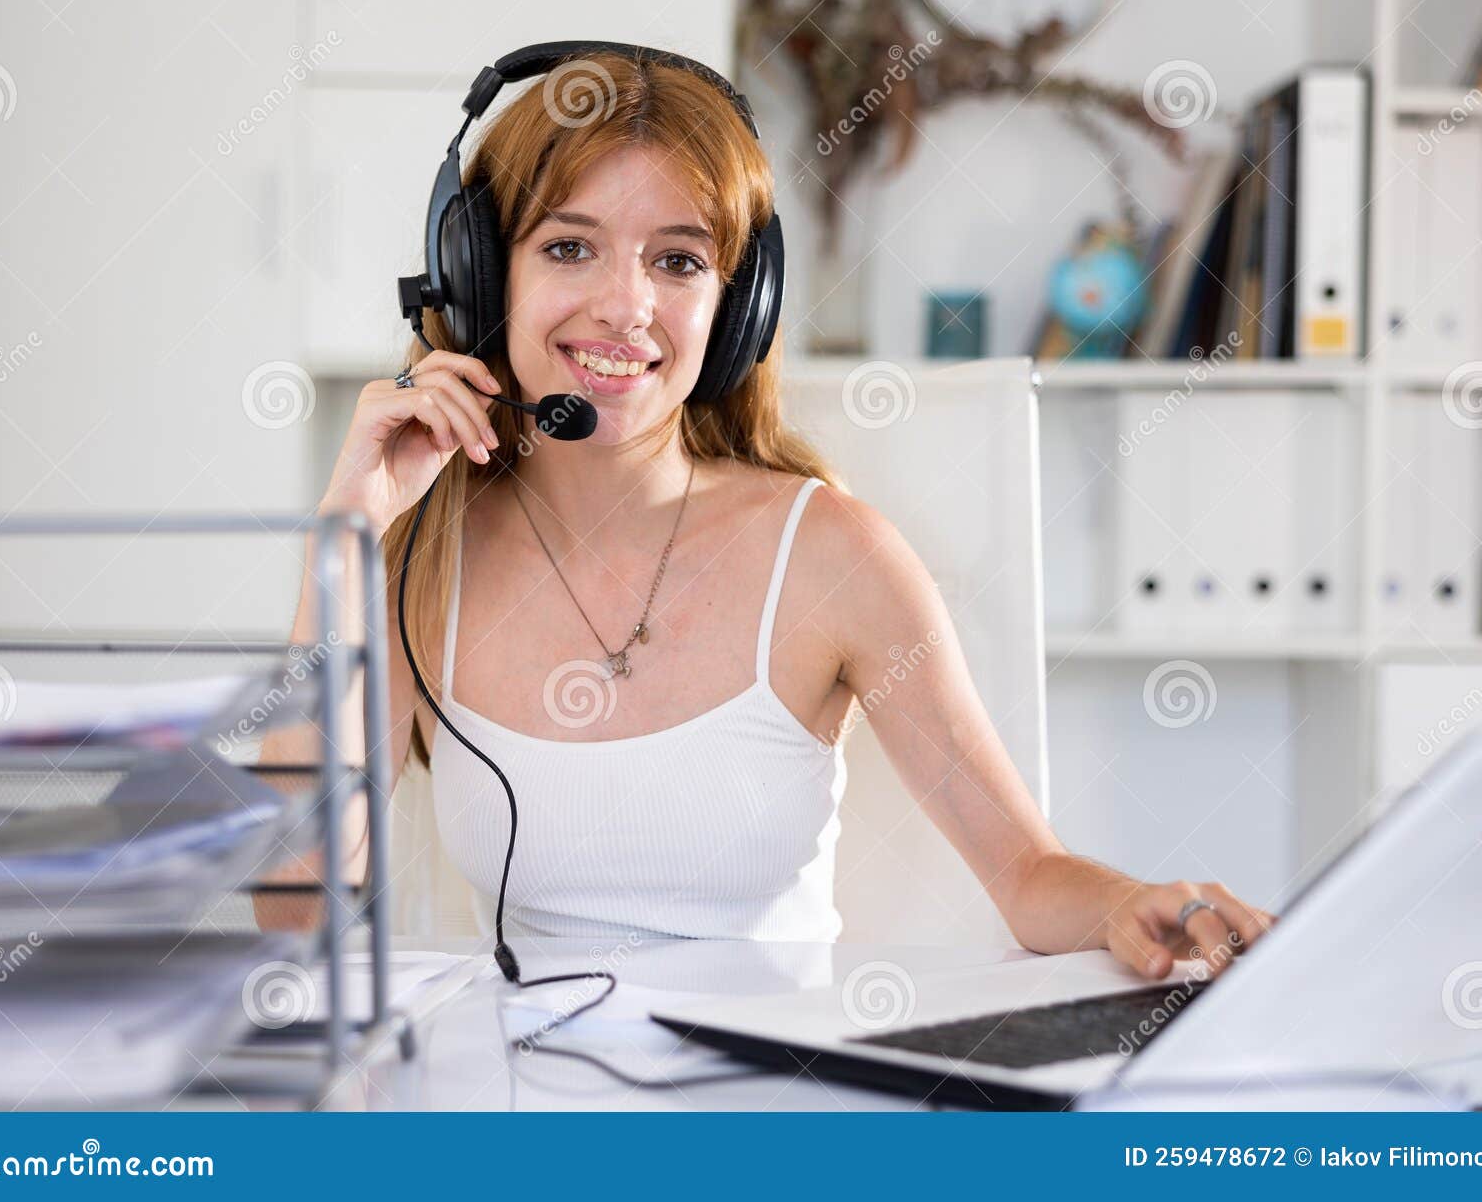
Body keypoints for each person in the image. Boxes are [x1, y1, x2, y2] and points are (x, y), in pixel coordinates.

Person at [257, 49, 1276, 980]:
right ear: (480, 277)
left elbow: (1027, 874)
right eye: (569, 247)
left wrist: (1129, 903)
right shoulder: (421, 561)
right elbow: (295, 912)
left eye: (678, 261)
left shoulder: (834, 555)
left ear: (737, 306)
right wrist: (344, 546)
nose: (626, 306)